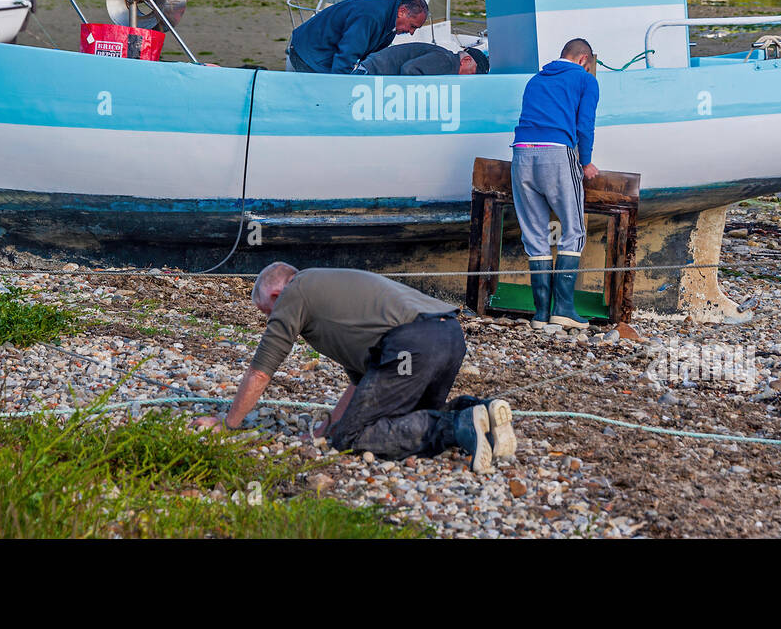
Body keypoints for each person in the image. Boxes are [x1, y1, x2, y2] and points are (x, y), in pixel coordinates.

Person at [193, 264, 515, 474]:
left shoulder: (294, 293)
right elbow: (364, 384)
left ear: (276, 295)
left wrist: (228, 424)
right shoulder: (331, 292)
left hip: (412, 347)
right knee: (402, 422)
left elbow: (261, 370)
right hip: (447, 336)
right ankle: (482, 415)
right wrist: (329, 426)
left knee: (354, 436)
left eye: (268, 313)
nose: (272, 320)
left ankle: (458, 425)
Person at [511, 38, 601, 331]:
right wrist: (586, 162)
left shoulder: (536, 79)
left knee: (534, 234)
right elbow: (584, 125)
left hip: (522, 154)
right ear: (583, 59)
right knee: (573, 230)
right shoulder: (585, 80)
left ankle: (540, 316)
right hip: (556, 154)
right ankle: (563, 309)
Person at [286, 0, 428, 74]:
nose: (411, 33)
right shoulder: (371, 16)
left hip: (323, 53)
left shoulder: (391, 20)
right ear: (402, 11)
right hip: (307, 54)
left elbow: (371, 57)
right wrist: (342, 87)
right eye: (412, 26)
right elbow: (347, 55)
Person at [357, 42, 489, 76]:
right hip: (370, 71)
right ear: (465, 61)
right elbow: (409, 70)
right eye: (472, 73)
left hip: (370, 68)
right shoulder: (447, 60)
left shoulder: (445, 57)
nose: (470, 77)